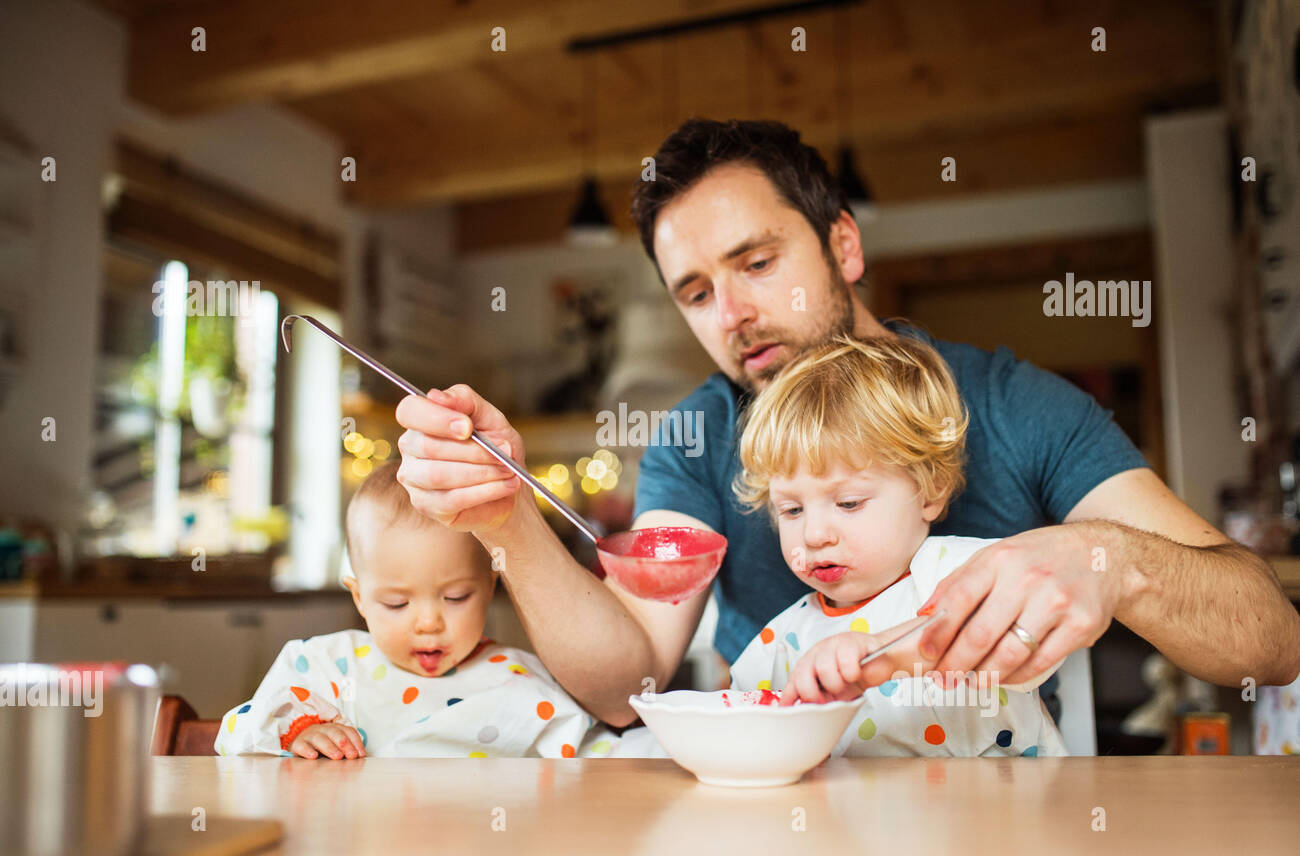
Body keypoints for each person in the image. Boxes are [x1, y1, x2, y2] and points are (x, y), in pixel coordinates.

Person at [394, 118, 1300, 729]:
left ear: (844, 246)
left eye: (757, 262)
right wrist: (505, 520)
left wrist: (1114, 558)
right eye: (698, 292)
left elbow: (1272, 637)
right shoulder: (693, 436)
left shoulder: (1017, 404)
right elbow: (629, 684)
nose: (735, 314)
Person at [727, 333, 1067, 756]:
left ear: (930, 491)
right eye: (792, 510)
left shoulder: (961, 573)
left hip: (1009, 816)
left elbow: (1028, 632)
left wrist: (878, 652)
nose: (814, 535)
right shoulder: (782, 643)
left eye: (848, 502)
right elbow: (742, 734)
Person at [215, 461, 659, 758]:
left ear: (490, 586)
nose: (428, 623)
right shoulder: (324, 667)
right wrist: (299, 733)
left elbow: (608, 758)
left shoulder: (521, 682)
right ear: (359, 598)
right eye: (396, 602)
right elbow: (239, 736)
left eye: (455, 598)